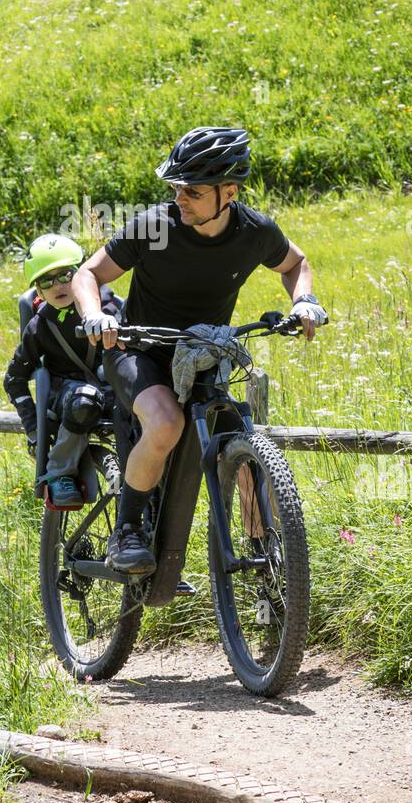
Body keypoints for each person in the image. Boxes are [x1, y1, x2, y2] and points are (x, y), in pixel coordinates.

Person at [71, 126, 328, 574]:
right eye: (175, 187)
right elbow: (87, 275)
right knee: (166, 422)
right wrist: (96, 315)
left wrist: (302, 300)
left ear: (228, 192)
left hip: (204, 354)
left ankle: (267, 561)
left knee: (242, 447)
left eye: (191, 190)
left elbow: (296, 263)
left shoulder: (254, 232)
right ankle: (127, 529)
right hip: (138, 350)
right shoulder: (154, 226)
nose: (180, 198)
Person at [3, 233, 122, 508]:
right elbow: (14, 379)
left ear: (81, 275)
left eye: (66, 275)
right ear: (39, 292)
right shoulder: (40, 326)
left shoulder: (110, 309)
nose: (58, 285)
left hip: (114, 388)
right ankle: (60, 473)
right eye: (46, 280)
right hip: (71, 396)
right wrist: (34, 429)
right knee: (85, 399)